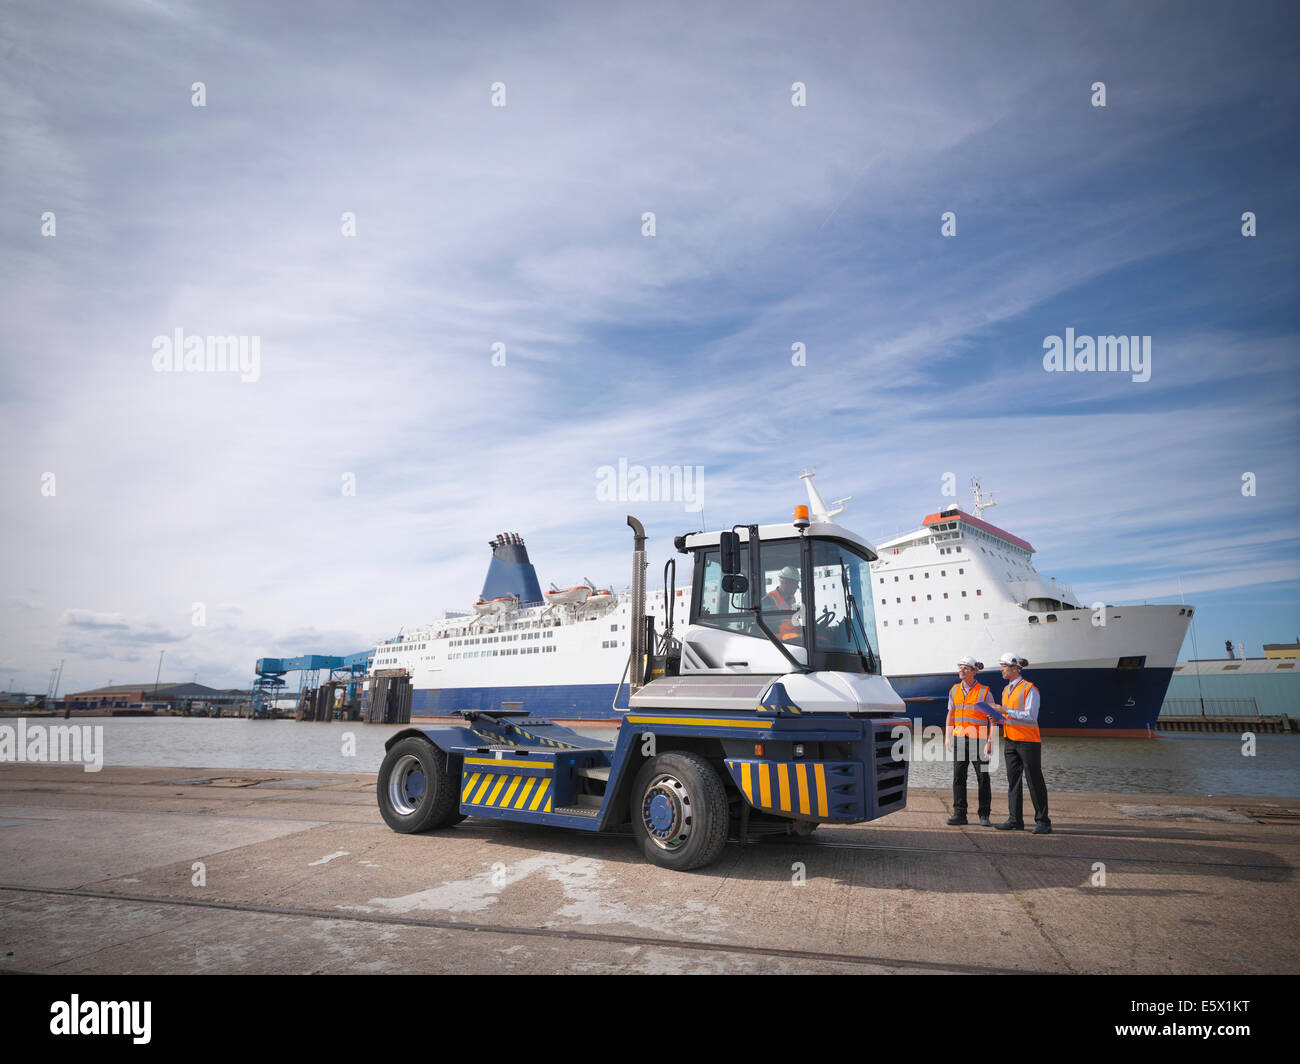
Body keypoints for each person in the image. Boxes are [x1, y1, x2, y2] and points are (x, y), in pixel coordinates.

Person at [981, 652, 1051, 834]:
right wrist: (997, 715)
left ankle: (1043, 822)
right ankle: (1015, 820)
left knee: (1034, 781)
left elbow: (1031, 716)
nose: (1001, 669)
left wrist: (1004, 710)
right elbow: (1009, 717)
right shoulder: (1006, 690)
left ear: (1014, 668)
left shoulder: (1030, 689)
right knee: (1013, 781)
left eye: (1003, 666)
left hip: (1028, 741)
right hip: (1010, 740)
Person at [945, 655, 993, 826]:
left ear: (974, 671)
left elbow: (992, 718)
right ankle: (960, 814)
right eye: (960, 667)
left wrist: (990, 741)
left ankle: (984, 815)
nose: (961, 670)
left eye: (965, 667)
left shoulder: (984, 691)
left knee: (983, 777)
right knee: (958, 777)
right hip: (959, 739)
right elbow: (951, 714)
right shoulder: (954, 690)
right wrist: (947, 737)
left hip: (979, 740)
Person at [761, 566, 802, 641]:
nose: (797, 588)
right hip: (781, 641)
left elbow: (794, 619)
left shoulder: (792, 598)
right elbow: (769, 628)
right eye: (795, 584)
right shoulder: (768, 600)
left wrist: (802, 629)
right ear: (786, 582)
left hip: (794, 637)